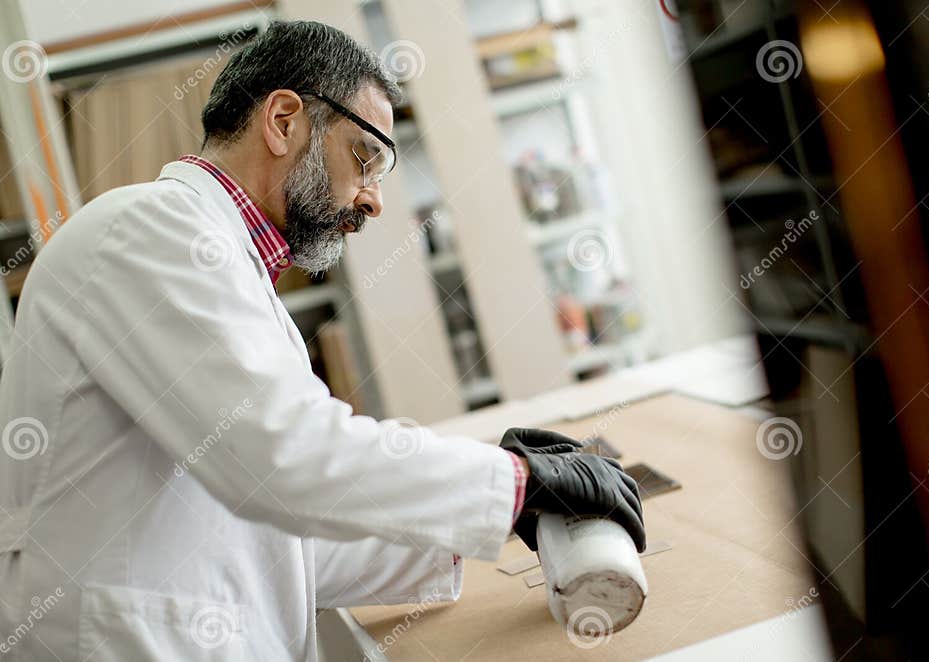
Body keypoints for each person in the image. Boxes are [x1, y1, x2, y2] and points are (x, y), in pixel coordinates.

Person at [0, 21, 644, 661]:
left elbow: (286, 539)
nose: (375, 201)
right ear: (283, 120)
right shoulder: (150, 230)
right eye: (366, 157)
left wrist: (496, 511)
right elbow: (289, 458)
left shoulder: (226, 266)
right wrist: (514, 482)